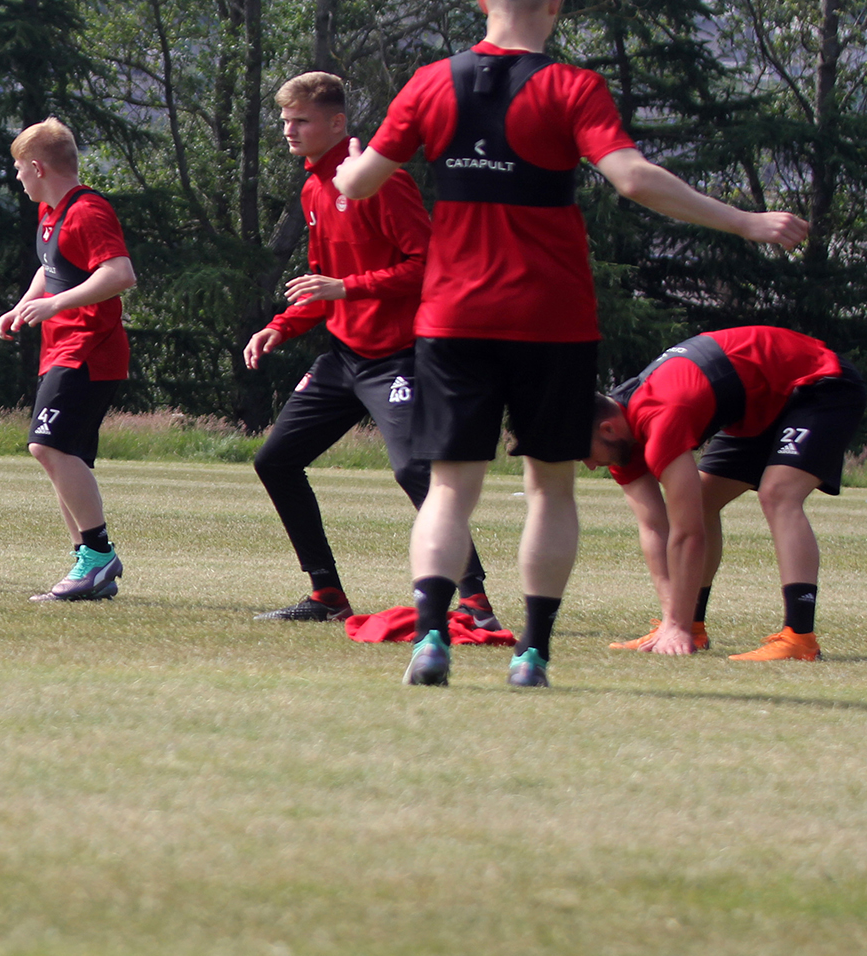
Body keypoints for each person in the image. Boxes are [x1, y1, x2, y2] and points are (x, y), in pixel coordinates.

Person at [333, 0, 807, 687]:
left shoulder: (431, 82)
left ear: (480, 3)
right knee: (550, 489)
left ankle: (432, 637)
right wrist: (745, 221)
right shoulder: (571, 86)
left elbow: (361, 182)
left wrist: (350, 165)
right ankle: (532, 653)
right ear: (553, 5)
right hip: (549, 318)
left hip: (453, 318)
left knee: (448, 489)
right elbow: (633, 178)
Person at [244, 72, 498, 629]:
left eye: (300, 120)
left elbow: (427, 264)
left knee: (413, 469)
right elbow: (323, 278)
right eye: (285, 121)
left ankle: (475, 601)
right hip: (343, 356)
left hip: (400, 356)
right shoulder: (313, 188)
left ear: (337, 123)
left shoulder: (382, 181)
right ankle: (327, 594)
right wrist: (281, 327)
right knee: (275, 461)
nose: (289, 130)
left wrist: (346, 289)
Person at [588, 326, 865, 662]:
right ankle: (691, 625)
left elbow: (688, 534)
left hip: (817, 383)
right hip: (757, 405)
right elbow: (654, 526)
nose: (589, 466)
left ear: (608, 429)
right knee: (702, 501)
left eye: (585, 453)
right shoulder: (619, 436)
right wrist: (672, 620)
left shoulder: (661, 415)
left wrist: (673, 621)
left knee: (778, 493)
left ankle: (799, 638)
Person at [0, 117, 137, 602]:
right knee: (63, 456)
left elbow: (119, 274)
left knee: (47, 447)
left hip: (89, 350)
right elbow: (51, 269)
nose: (17, 179)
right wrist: (23, 306)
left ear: (37, 167)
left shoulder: (87, 211)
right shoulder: (52, 212)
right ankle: (87, 565)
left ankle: (98, 554)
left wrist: (55, 305)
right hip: (63, 348)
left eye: (19, 169)